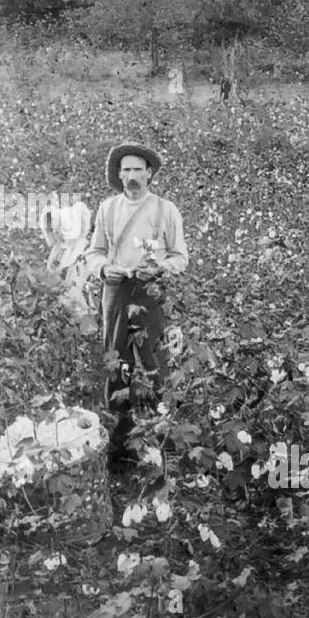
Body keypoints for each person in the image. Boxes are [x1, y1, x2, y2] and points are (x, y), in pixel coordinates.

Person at [83, 144, 188, 458]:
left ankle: (164, 442)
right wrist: (104, 268)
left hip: (149, 293)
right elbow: (94, 252)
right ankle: (120, 445)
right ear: (119, 174)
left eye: (137, 169)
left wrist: (159, 267)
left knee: (155, 363)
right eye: (125, 170)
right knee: (116, 364)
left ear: (149, 173)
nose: (131, 176)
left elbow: (180, 256)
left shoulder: (165, 210)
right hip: (115, 291)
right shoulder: (108, 208)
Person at [39, 199, 93, 321]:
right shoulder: (59, 248)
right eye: (52, 228)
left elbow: (78, 285)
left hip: (76, 306)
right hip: (56, 304)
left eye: (57, 227)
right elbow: (51, 273)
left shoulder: (82, 249)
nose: (54, 231)